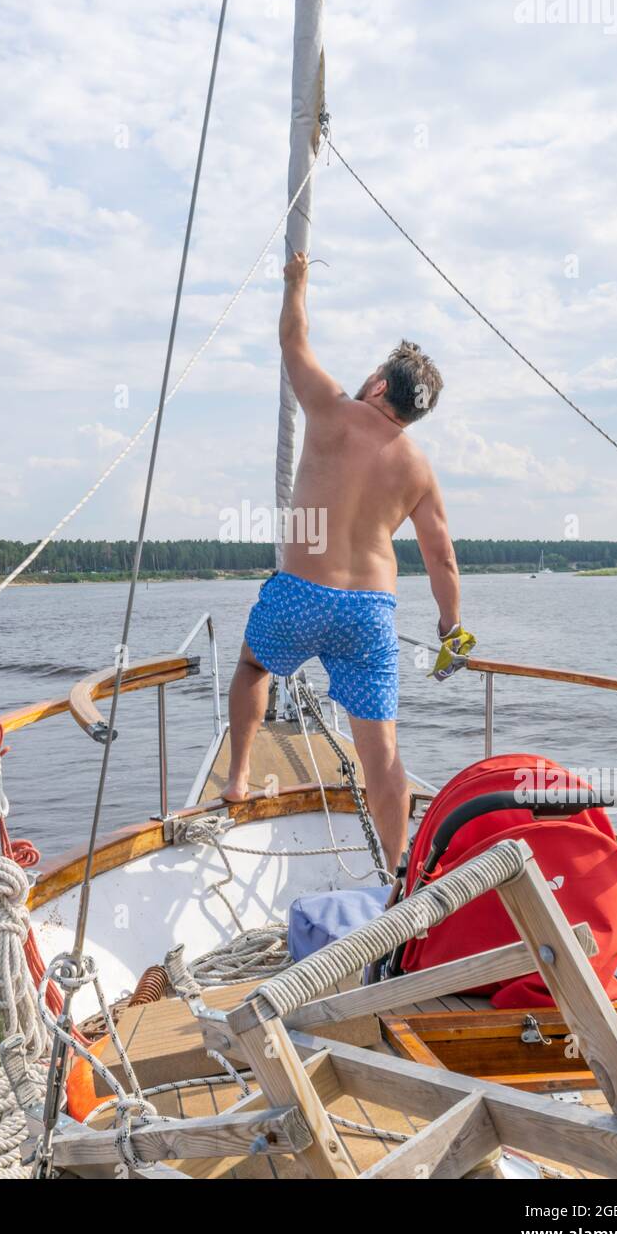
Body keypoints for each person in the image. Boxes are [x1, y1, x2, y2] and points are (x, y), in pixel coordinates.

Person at [222, 251, 467, 873]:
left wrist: (297, 280)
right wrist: (448, 627)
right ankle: (398, 869)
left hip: (304, 590)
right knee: (382, 755)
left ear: (380, 385)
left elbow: (291, 336)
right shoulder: (418, 466)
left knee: (253, 665)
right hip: (371, 611)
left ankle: (239, 779)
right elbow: (442, 557)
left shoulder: (331, 410)